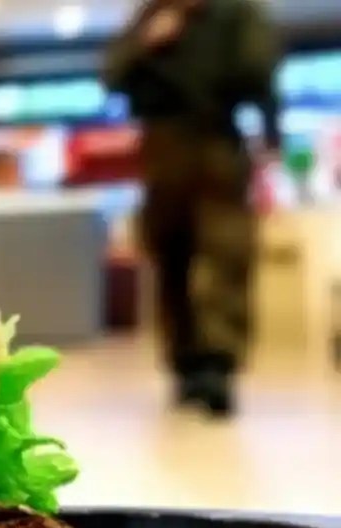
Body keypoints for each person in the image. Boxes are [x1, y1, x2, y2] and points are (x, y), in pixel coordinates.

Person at [103, 0, 282, 417]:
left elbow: (261, 74)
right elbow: (113, 75)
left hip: (216, 138)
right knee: (169, 256)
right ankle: (184, 363)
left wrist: (272, 134)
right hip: (160, 145)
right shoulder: (150, 14)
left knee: (227, 252)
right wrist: (148, 43)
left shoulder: (236, 14)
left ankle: (218, 364)